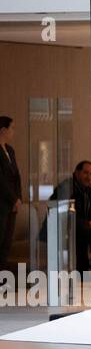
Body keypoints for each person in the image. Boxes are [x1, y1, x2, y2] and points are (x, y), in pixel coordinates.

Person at [52, 161, 91, 279]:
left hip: (79, 225)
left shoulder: (87, 190)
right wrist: (89, 223)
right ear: (76, 172)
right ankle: (82, 273)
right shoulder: (66, 188)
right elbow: (64, 215)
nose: (89, 177)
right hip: (61, 228)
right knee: (83, 231)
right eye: (85, 173)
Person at [0, 117, 20, 275]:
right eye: (12, 128)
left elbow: (16, 177)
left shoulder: (11, 150)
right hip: (2, 202)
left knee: (7, 242)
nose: (14, 132)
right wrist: (13, 198)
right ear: (3, 130)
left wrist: (18, 198)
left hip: (12, 204)